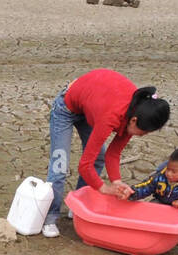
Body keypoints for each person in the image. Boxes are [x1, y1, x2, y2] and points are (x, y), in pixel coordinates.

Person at [42, 69, 170, 237]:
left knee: (99, 158)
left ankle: (78, 206)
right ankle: (50, 218)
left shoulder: (136, 113)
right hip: (66, 108)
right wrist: (103, 189)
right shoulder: (112, 116)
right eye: (142, 132)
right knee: (59, 166)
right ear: (133, 120)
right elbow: (84, 165)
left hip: (90, 108)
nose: (141, 135)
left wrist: (116, 182)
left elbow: (113, 154)